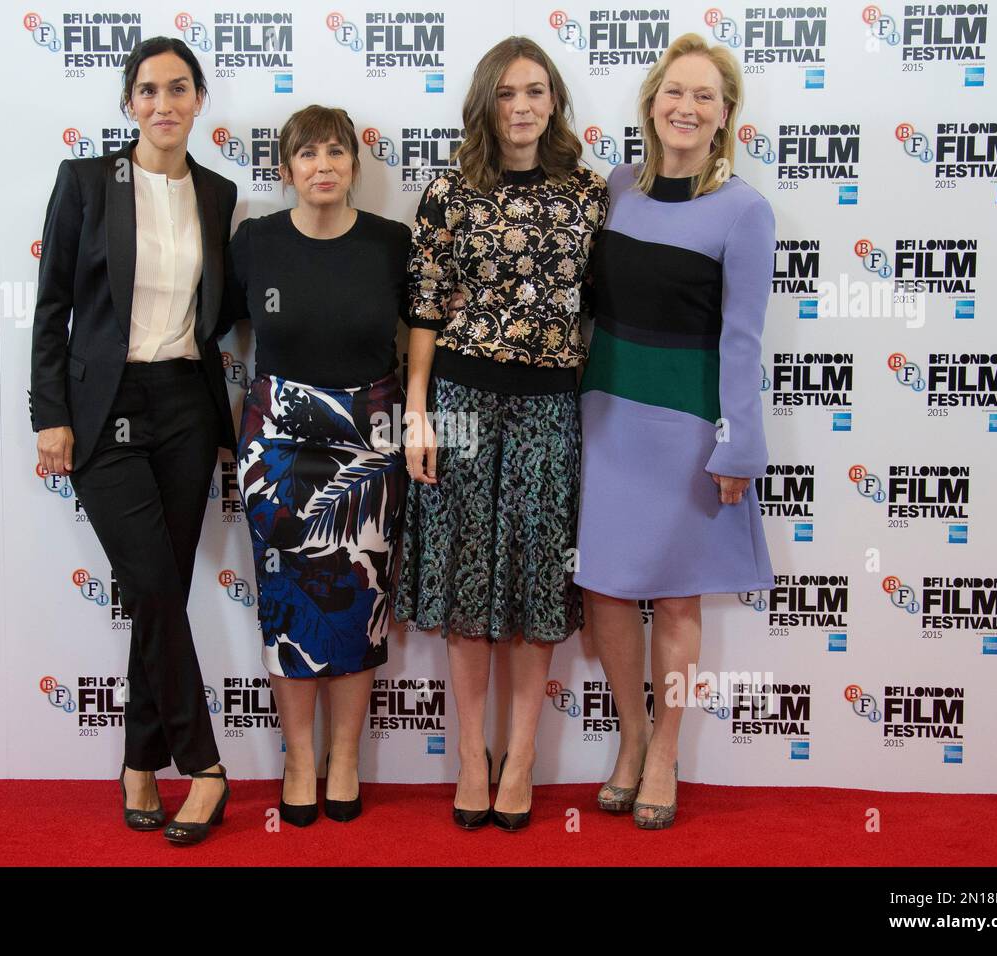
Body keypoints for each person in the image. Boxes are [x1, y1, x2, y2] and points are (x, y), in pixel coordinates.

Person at [394, 36, 609, 831]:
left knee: (533, 583)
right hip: (459, 398)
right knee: (464, 584)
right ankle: (468, 758)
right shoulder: (448, 192)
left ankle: (520, 758)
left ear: (554, 102)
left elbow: (599, 305)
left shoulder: (589, 193)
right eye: (508, 92)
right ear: (486, 102)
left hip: (552, 407)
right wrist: (417, 412)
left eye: (537, 91)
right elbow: (424, 309)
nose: (522, 105)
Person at [30, 36, 238, 846]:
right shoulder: (87, 181)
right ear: (128, 104)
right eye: (148, 90)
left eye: (178, 89)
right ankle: (206, 764)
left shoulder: (217, 194)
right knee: (152, 583)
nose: (163, 104)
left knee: (161, 595)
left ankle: (138, 763)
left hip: (184, 404)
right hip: (101, 409)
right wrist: (51, 412)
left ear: (198, 99)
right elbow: (52, 307)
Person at [574, 33, 775, 829]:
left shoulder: (745, 210)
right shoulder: (617, 187)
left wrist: (739, 443)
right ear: (651, 104)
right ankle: (630, 738)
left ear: (725, 119)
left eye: (704, 97)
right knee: (607, 594)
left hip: (688, 429)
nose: (686, 108)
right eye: (674, 93)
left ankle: (667, 748)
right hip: (606, 416)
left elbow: (743, 339)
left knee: (678, 599)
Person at [230, 105, 410, 826]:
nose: (322, 165)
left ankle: (345, 758)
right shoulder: (255, 242)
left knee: (359, 605)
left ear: (356, 166)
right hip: (275, 442)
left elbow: (421, 332)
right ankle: (297, 758)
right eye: (306, 154)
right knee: (286, 607)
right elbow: (215, 322)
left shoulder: (392, 243)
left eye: (336, 151)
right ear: (285, 170)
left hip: (371, 438)